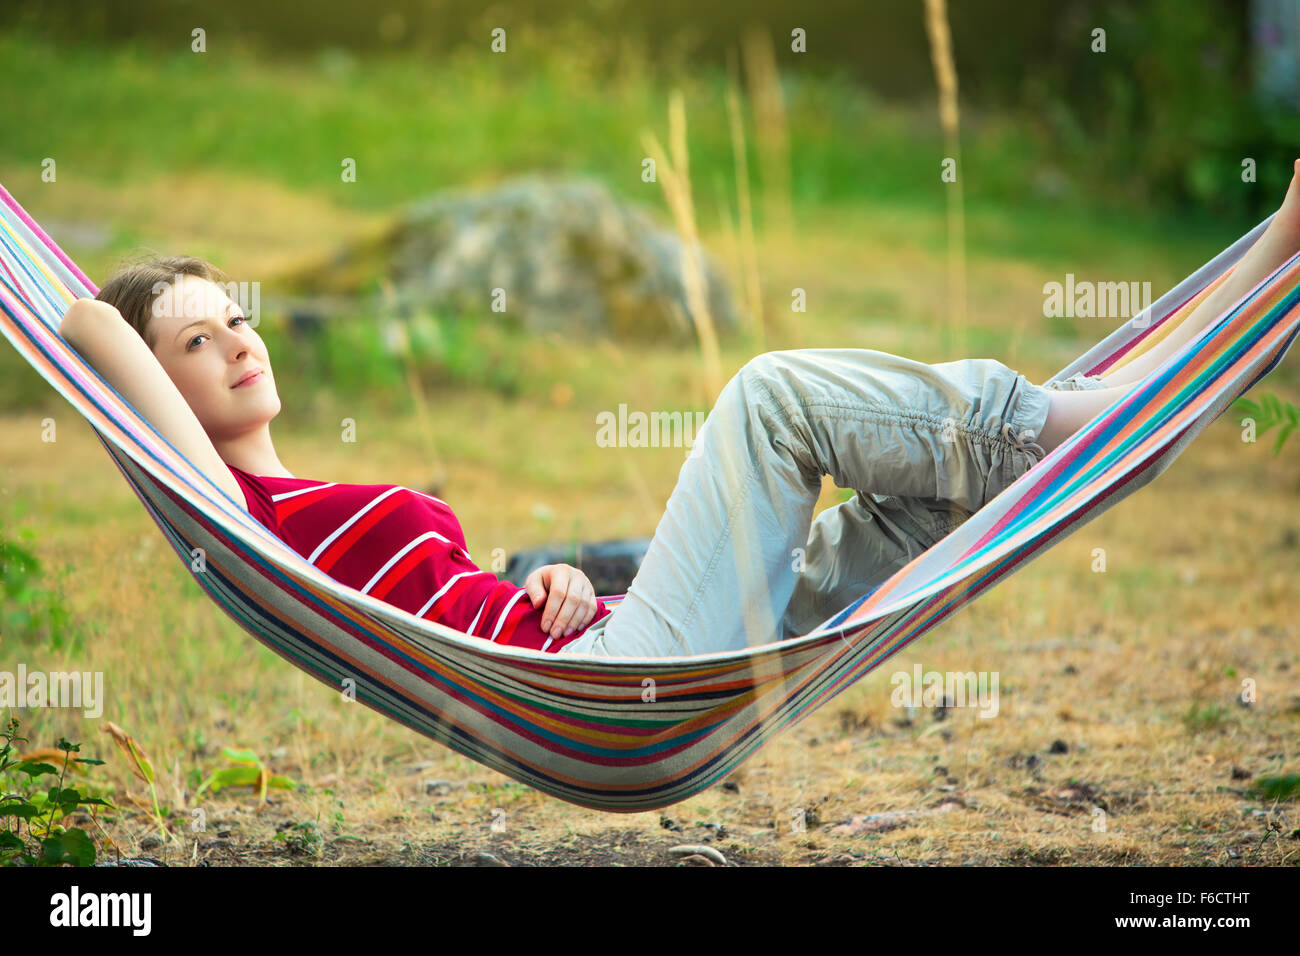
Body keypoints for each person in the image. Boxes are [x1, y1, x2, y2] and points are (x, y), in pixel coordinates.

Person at [58, 160, 1300, 658]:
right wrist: (91, 313)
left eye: (238, 318)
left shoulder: (303, 491)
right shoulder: (239, 509)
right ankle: (1077, 412)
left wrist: (549, 591)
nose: (234, 344)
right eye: (195, 341)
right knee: (769, 400)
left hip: (617, 640)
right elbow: (87, 325)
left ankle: (1239, 305)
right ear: (152, 385)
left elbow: (465, 612)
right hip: (630, 678)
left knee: (939, 499)